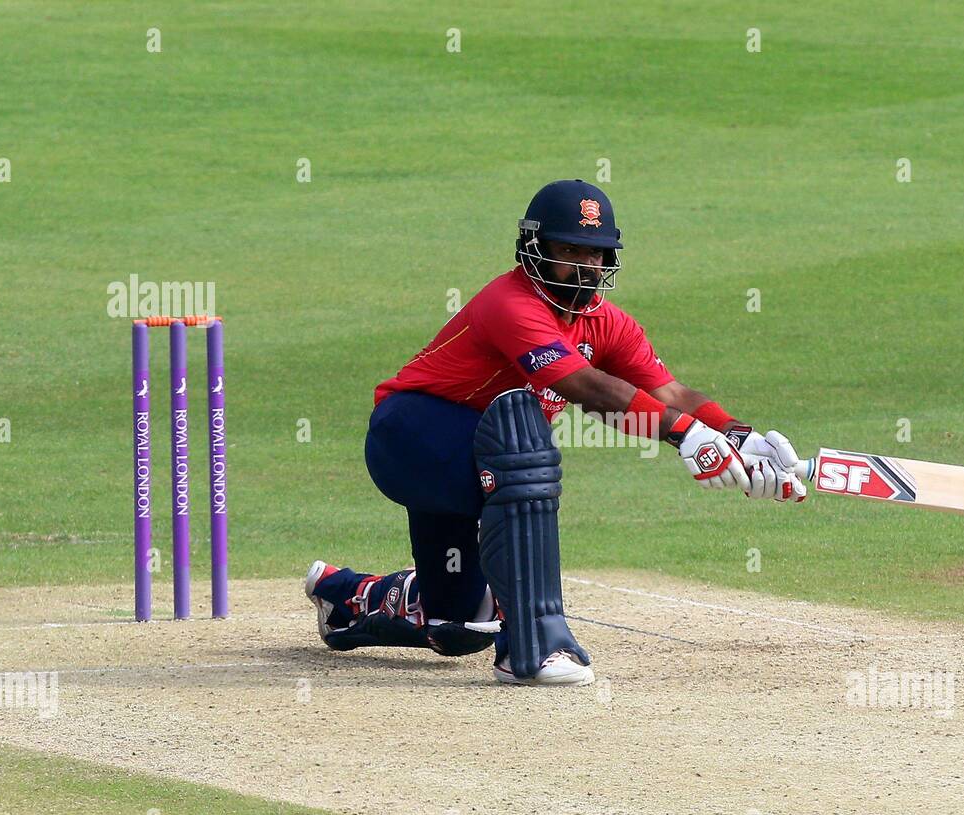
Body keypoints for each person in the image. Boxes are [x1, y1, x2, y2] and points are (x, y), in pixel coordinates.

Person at [306, 179, 806, 687]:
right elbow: (584, 387)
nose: (585, 265)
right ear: (534, 247)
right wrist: (685, 435)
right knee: (522, 450)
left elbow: (670, 393)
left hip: (478, 461)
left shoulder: (607, 323)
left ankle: (345, 597)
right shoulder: (511, 302)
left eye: (596, 253)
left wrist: (739, 438)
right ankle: (534, 646)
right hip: (410, 438)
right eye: (569, 250)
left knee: (459, 625)